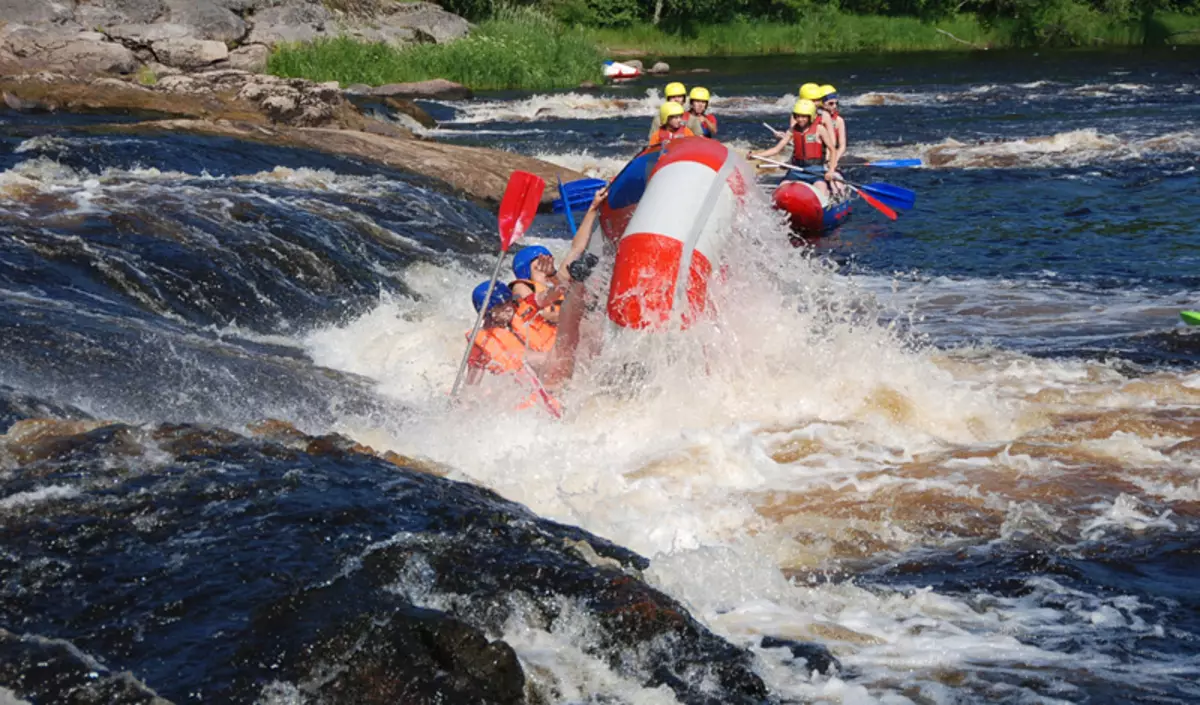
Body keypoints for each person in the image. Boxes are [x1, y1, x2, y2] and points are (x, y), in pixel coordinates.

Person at [750, 98, 840, 198]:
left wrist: (831, 170)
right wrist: (756, 155)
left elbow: (832, 149)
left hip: (816, 172)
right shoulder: (792, 130)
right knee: (781, 190)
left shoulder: (820, 129)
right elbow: (776, 149)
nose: (800, 119)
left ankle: (829, 197)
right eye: (797, 116)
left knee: (821, 191)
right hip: (796, 170)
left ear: (811, 116)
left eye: (803, 116)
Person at [510, 245, 565, 325]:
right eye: (538, 268)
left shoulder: (557, 285)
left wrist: (553, 275)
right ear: (526, 274)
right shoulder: (520, 286)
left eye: (548, 266)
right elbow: (534, 313)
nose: (545, 272)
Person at [818, 84, 846, 162]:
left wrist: (834, 160)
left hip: (832, 154)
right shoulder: (813, 118)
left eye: (836, 103)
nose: (834, 106)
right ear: (822, 103)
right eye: (831, 103)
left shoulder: (839, 121)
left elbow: (842, 146)